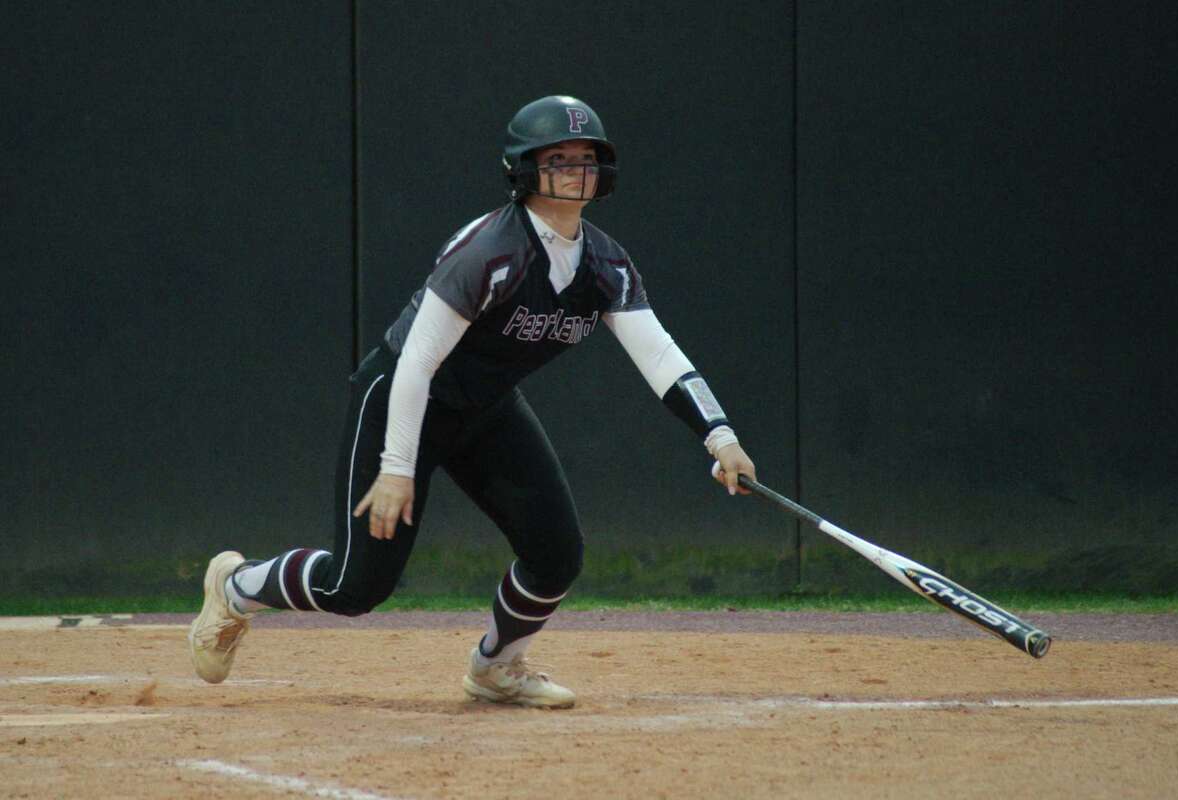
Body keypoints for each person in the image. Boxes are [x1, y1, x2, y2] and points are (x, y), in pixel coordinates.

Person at [187, 95, 756, 709]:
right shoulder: (489, 253)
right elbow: (417, 363)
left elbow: (662, 356)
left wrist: (719, 436)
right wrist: (397, 467)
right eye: (557, 158)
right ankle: (236, 586)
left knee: (556, 554)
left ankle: (496, 667)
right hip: (403, 399)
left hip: (485, 408)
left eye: (586, 158)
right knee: (356, 587)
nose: (576, 169)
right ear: (523, 170)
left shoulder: (607, 265)